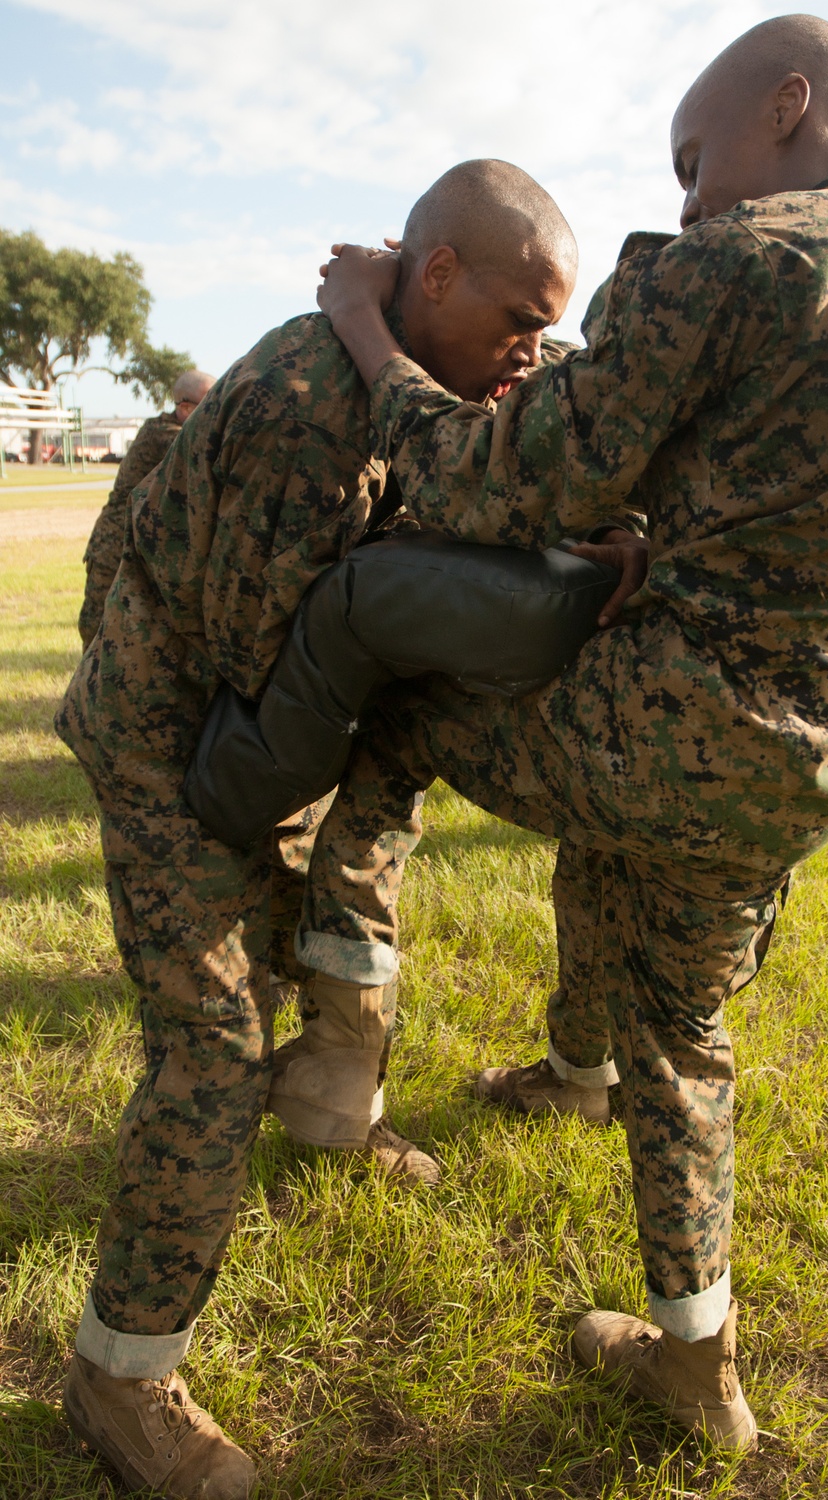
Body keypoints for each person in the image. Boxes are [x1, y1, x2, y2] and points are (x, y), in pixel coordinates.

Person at [307, 13, 828, 1453]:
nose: (684, 199)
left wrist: (368, 326)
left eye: (695, 160)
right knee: (680, 1016)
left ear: (789, 105)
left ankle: (332, 1072)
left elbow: (498, 480)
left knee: (398, 709)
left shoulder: (743, 263)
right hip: (802, 763)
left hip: (671, 730)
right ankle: (691, 1352)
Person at [55, 160, 583, 1500]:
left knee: (303, 945)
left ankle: (328, 1123)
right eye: (520, 316)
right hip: (170, 748)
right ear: (438, 274)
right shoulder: (308, 403)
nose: (528, 350)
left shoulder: (389, 382)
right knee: (212, 1048)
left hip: (235, 740)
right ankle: (121, 1376)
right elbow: (259, 655)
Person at [79, 369, 216, 648]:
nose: (216, 411)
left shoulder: (183, 432)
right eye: (210, 403)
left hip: (141, 544)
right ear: (186, 407)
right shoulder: (163, 434)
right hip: (115, 542)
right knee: (97, 627)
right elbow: (207, 454)